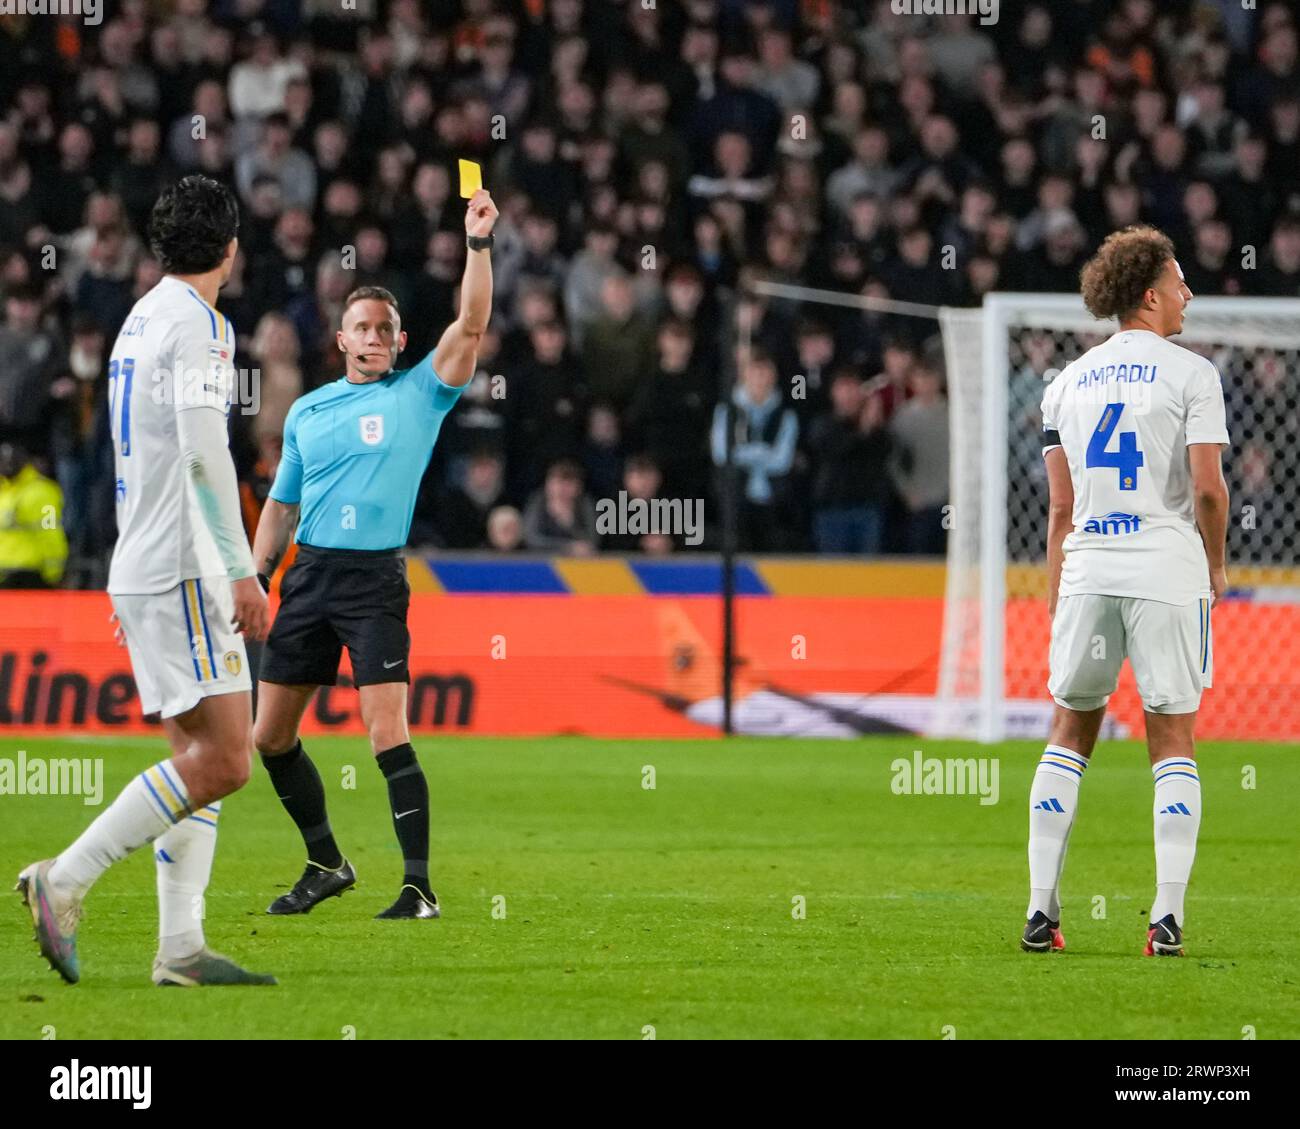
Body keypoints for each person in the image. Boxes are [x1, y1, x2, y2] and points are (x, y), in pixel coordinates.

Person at [18, 176, 275, 987]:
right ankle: (62, 879)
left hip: (142, 559)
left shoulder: (139, 317)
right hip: (181, 567)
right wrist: (241, 569)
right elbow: (206, 454)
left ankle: (181, 947)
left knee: (195, 753)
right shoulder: (201, 329)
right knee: (228, 760)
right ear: (230, 249)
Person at [250, 188, 498, 920]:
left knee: (387, 729)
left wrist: (477, 243)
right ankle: (326, 861)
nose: (375, 335)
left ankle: (418, 886)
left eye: (386, 326)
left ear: (397, 338)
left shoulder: (420, 394)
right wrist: (257, 577)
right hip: (310, 575)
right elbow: (282, 507)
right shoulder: (307, 411)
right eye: (362, 325)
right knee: (269, 735)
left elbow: (473, 322)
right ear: (342, 340)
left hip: (374, 580)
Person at [1023, 225, 1229, 959]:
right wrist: (1216, 564)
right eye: (1180, 282)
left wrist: (1060, 593)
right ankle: (1166, 919)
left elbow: (1058, 508)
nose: (1189, 294)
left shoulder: (1064, 383)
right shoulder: (1192, 374)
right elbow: (1208, 490)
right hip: (1165, 566)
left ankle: (1040, 911)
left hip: (1088, 567)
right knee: (1171, 736)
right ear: (1150, 294)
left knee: (1069, 729)